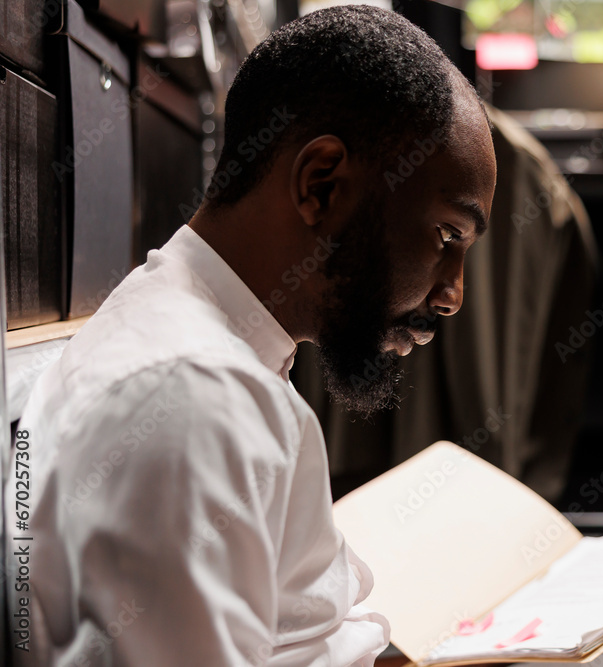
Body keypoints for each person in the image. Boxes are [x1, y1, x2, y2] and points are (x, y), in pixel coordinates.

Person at [4, 6, 496, 666]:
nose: (451, 294)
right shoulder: (192, 394)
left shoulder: (213, 344)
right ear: (321, 184)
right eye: (446, 237)